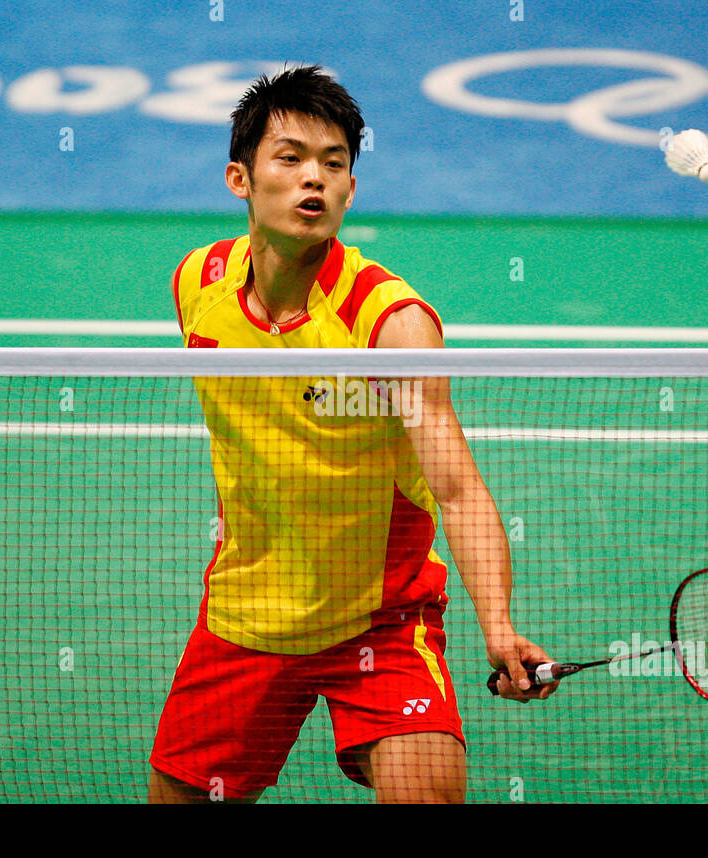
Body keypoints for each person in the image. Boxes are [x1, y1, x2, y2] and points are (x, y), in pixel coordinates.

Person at [148, 65, 557, 805]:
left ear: (351, 190)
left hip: (383, 619)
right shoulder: (196, 286)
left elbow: (457, 488)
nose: (315, 180)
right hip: (247, 616)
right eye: (292, 158)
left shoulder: (390, 324)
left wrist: (497, 623)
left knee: (426, 794)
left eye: (334, 165)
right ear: (240, 179)